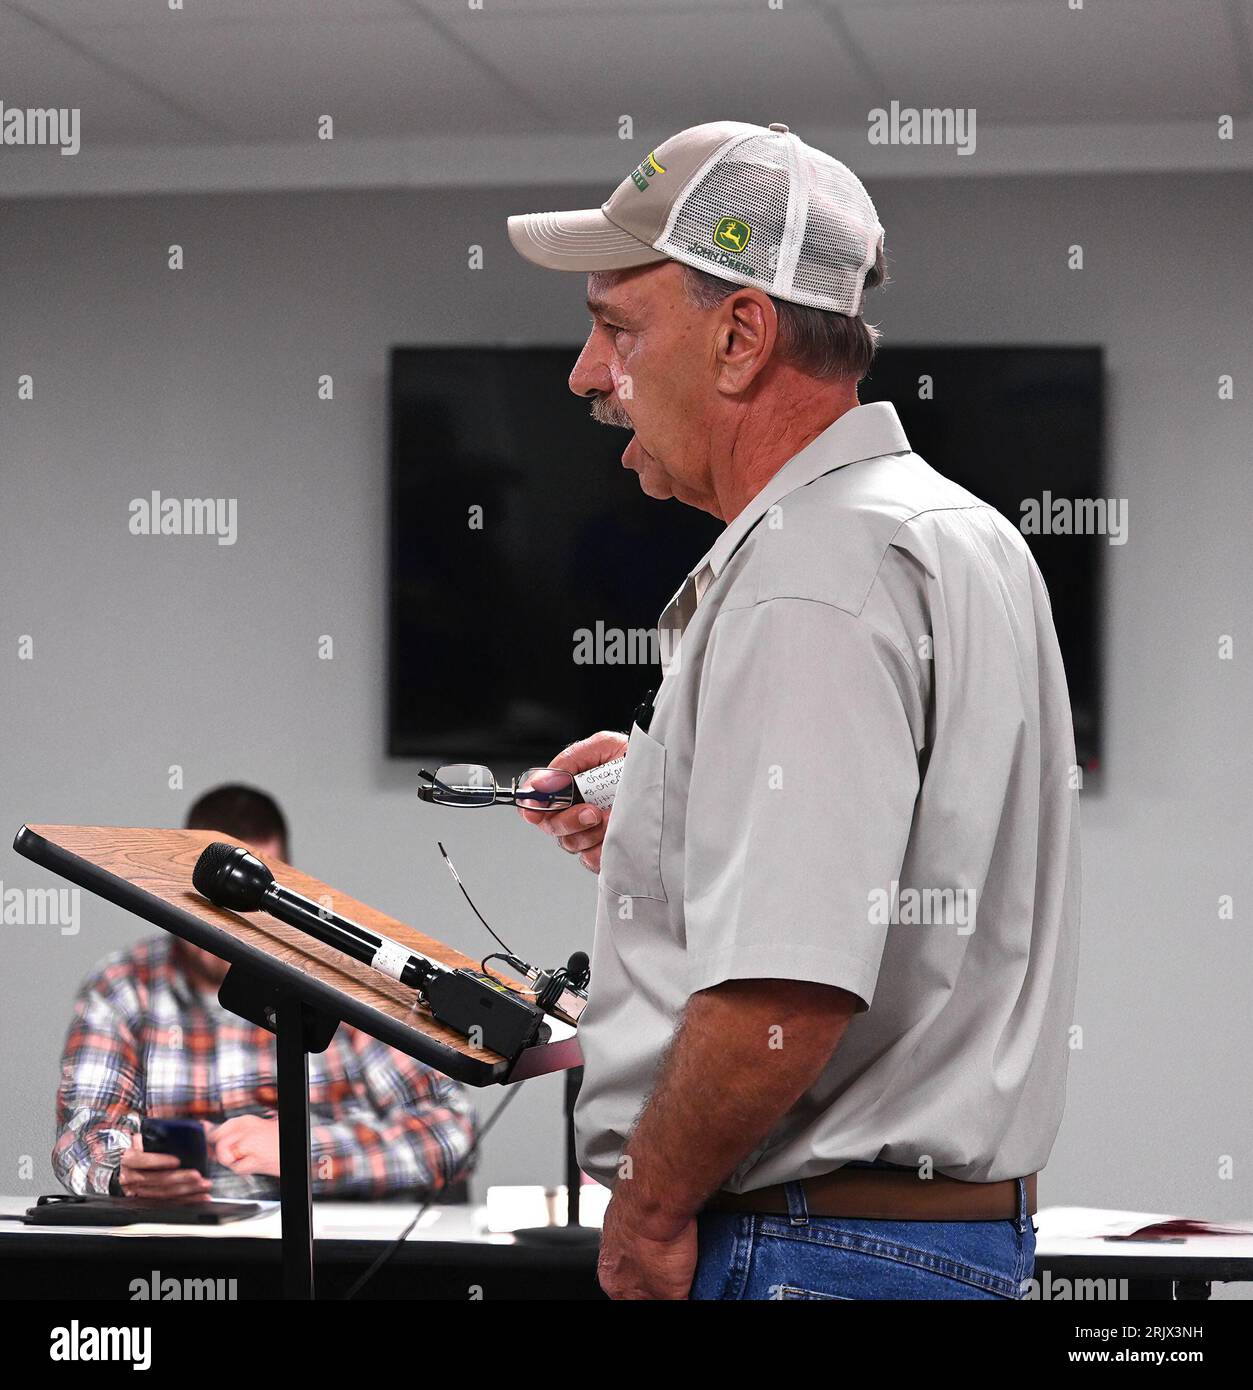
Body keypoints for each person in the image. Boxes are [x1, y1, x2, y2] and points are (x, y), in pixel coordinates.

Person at [507, 120, 1081, 1299]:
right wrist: (679, 798)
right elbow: (911, 879)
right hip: (930, 1244)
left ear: (738, 336)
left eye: (615, 327)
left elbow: (786, 987)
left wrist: (647, 1211)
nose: (584, 374)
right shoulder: (953, 532)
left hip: (804, 1250)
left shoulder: (808, 574)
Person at [54, 784, 475, 1202]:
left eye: (253, 898)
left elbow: (452, 1134)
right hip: (177, 1249)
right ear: (180, 887)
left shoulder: (342, 976)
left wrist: (305, 1150)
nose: (233, 921)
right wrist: (121, 1171)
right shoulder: (124, 985)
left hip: (331, 1251)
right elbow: (81, 1140)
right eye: (218, 898)